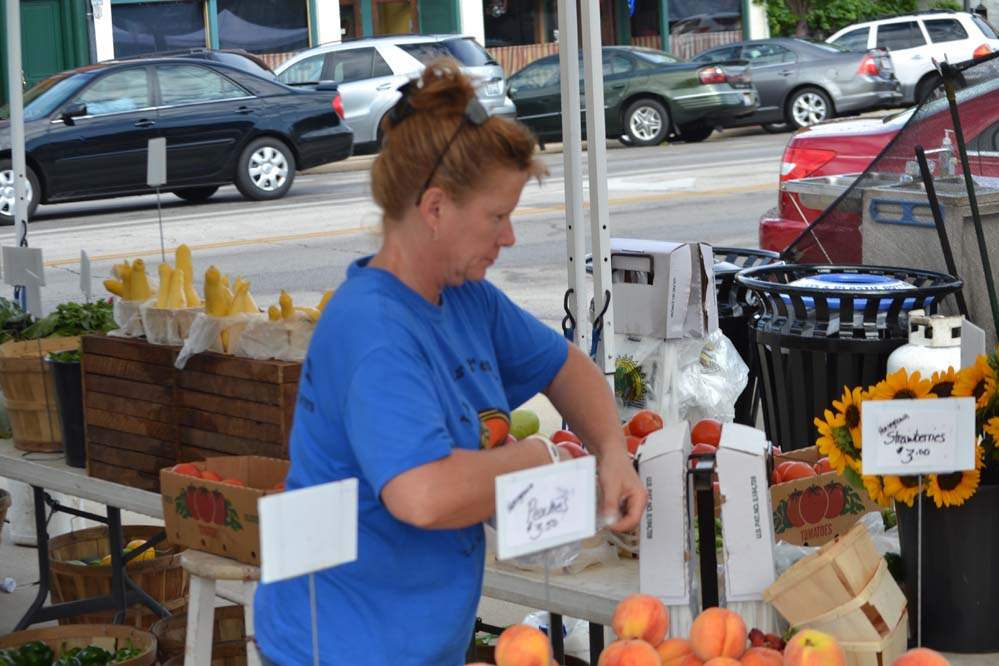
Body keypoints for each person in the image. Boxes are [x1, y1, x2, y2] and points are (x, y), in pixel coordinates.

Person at [253, 59, 647, 665]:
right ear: (434, 209)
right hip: (342, 645)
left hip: (423, 635)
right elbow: (424, 496)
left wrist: (613, 452)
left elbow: (567, 367)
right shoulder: (373, 332)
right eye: (497, 216)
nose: (509, 236)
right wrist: (535, 458)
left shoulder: (464, 297)